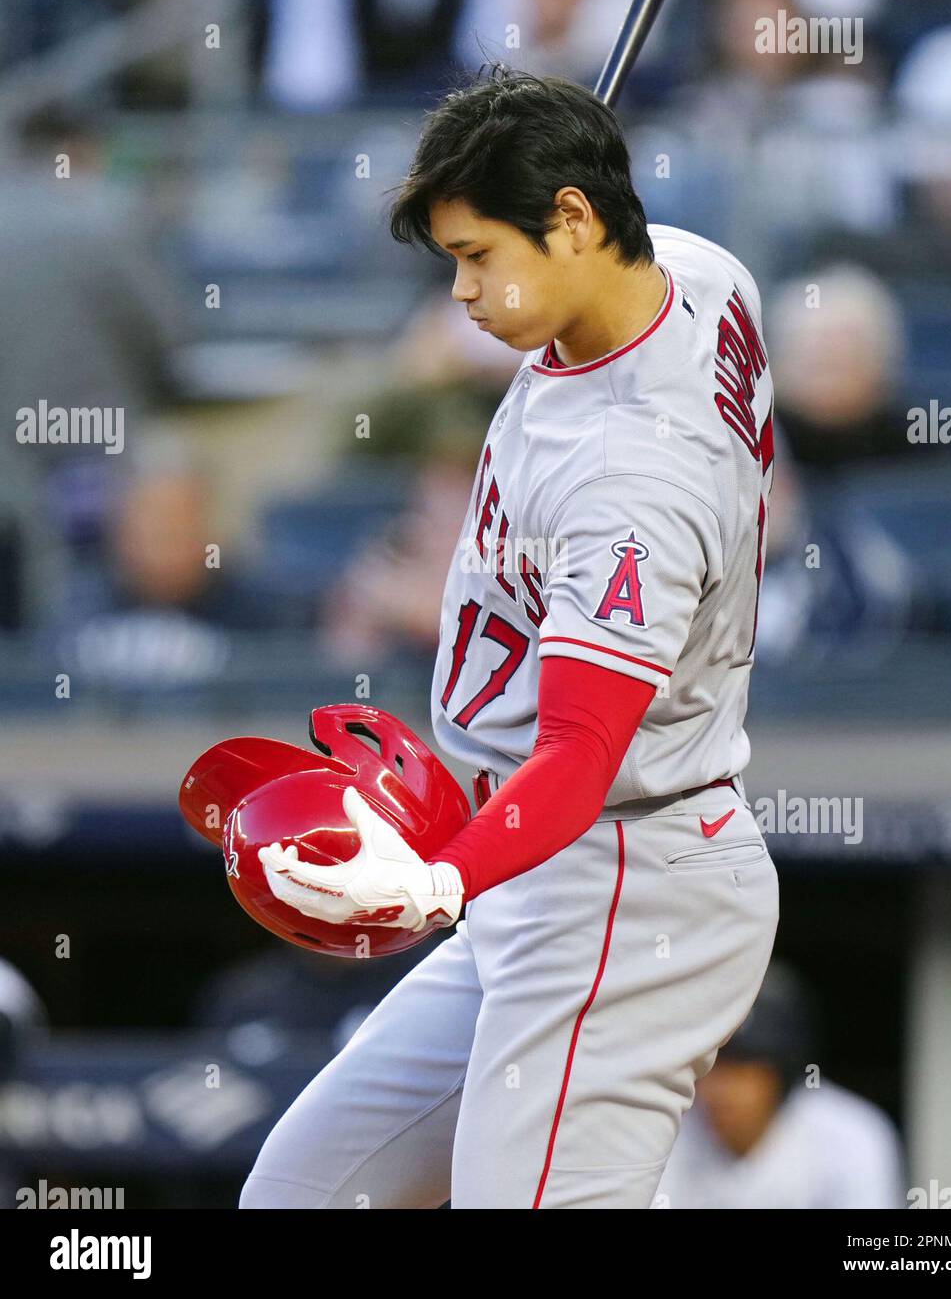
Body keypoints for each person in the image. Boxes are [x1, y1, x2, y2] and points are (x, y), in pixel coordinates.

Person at [240, 66, 779, 1210]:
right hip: (540, 866)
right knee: (297, 1196)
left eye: (478, 257)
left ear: (575, 222)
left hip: (625, 878)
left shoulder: (632, 481)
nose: (463, 293)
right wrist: (526, 179)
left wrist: (438, 877)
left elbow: (577, 765)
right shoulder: (689, 266)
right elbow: (597, 256)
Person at [654, 961, 907, 1208]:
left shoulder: (851, 1137)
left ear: (782, 1075)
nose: (721, 1089)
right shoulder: (670, 1133)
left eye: (742, 1069)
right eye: (712, 1067)